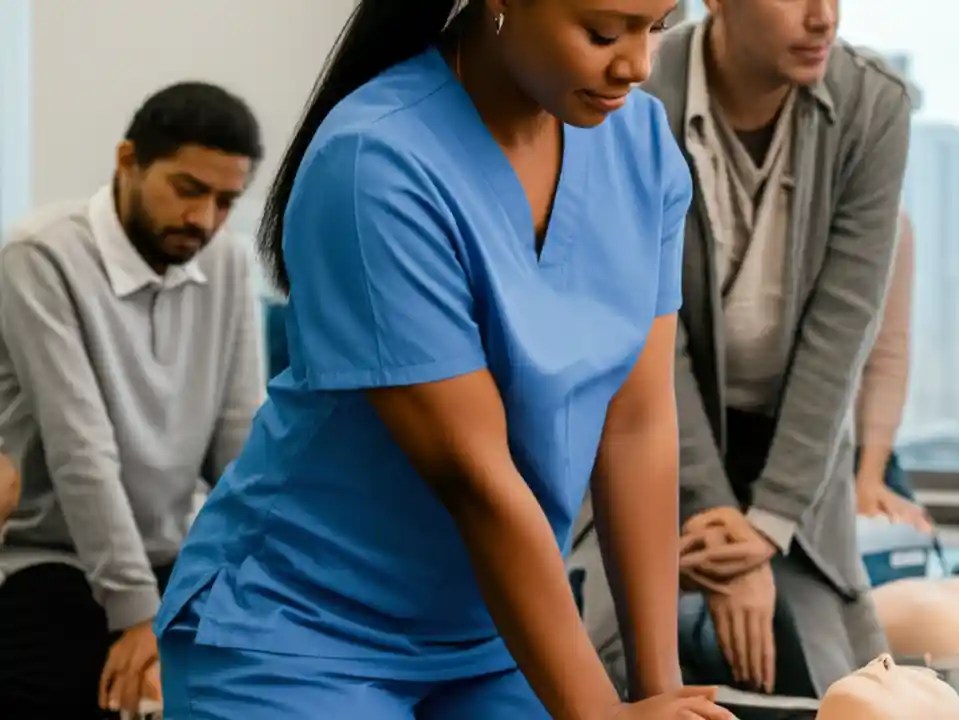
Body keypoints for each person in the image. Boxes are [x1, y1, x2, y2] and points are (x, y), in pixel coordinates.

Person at [154, 2, 731, 719]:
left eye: (659, 26)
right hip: (301, 628)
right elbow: (474, 476)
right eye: (604, 33)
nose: (637, 66)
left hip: (499, 633)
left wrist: (660, 688)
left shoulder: (641, 146)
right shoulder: (376, 158)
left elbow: (637, 426)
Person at [580, 0, 911, 700]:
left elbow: (841, 333)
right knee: (595, 666)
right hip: (645, 432)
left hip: (793, 455)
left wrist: (765, 527)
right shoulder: (635, 95)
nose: (824, 18)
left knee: (851, 689)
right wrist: (706, 510)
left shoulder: (873, 105)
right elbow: (647, 343)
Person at [0, 81, 265, 717]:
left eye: (226, 201)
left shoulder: (226, 264)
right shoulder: (39, 256)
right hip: (54, 558)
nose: (204, 219)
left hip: (178, 557)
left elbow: (244, 450)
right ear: (128, 161)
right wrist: (138, 617)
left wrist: (253, 577)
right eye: (188, 189)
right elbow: (80, 450)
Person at [854, 211, 929, 532]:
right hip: (767, 445)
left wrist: (869, 480)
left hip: (855, 449)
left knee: (912, 538)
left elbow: (889, 355)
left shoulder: (892, 223)